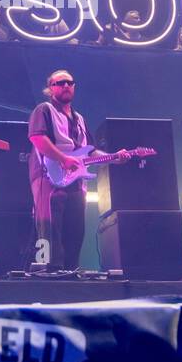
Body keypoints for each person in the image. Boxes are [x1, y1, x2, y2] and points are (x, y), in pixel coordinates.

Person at [27, 69, 129, 271]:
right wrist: (62, 158)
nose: (66, 86)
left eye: (70, 82)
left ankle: (70, 271)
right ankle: (46, 270)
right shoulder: (44, 109)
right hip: (48, 176)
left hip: (76, 182)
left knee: (75, 229)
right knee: (48, 227)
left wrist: (114, 158)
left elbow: (89, 152)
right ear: (50, 88)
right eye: (60, 82)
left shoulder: (79, 119)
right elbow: (37, 138)